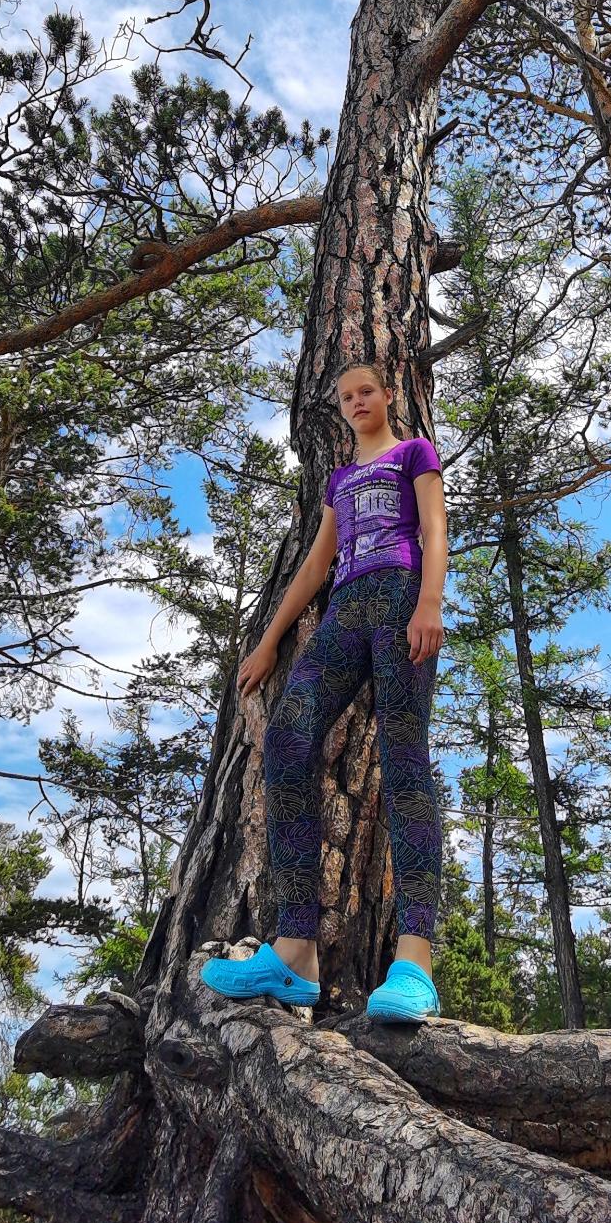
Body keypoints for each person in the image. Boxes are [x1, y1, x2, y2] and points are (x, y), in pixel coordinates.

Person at [199, 360, 447, 1023]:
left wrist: (430, 601)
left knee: (403, 757)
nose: (356, 401)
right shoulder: (339, 480)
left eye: (366, 390)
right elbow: (315, 563)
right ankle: (294, 951)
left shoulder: (414, 452)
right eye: (346, 397)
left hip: (400, 598)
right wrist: (270, 639)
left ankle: (414, 963)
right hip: (343, 612)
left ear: (389, 395)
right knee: (286, 739)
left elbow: (433, 530)